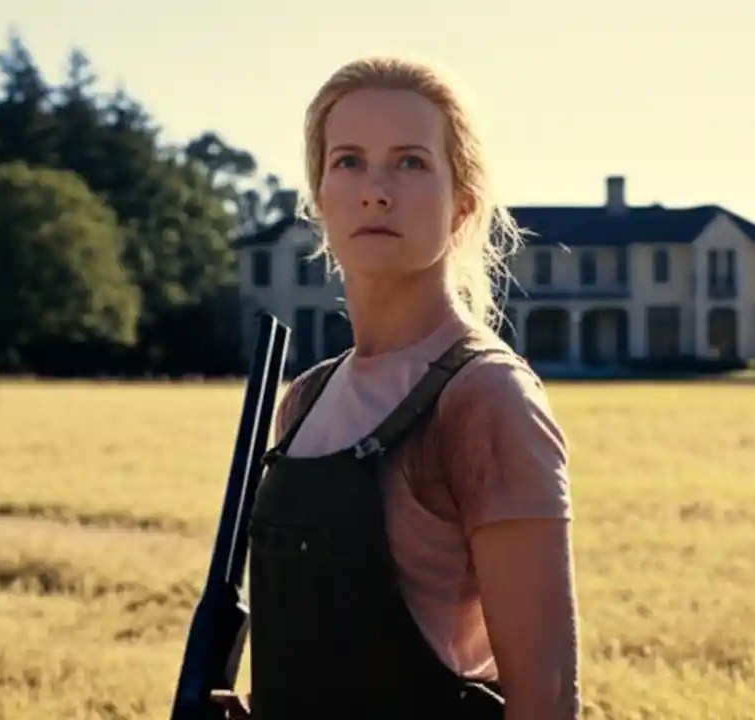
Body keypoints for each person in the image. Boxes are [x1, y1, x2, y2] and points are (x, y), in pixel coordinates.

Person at [211, 56, 580, 719]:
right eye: (348, 161)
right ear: (319, 199)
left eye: (410, 163)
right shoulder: (306, 399)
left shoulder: (485, 398)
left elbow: (547, 695)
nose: (375, 190)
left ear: (462, 207)